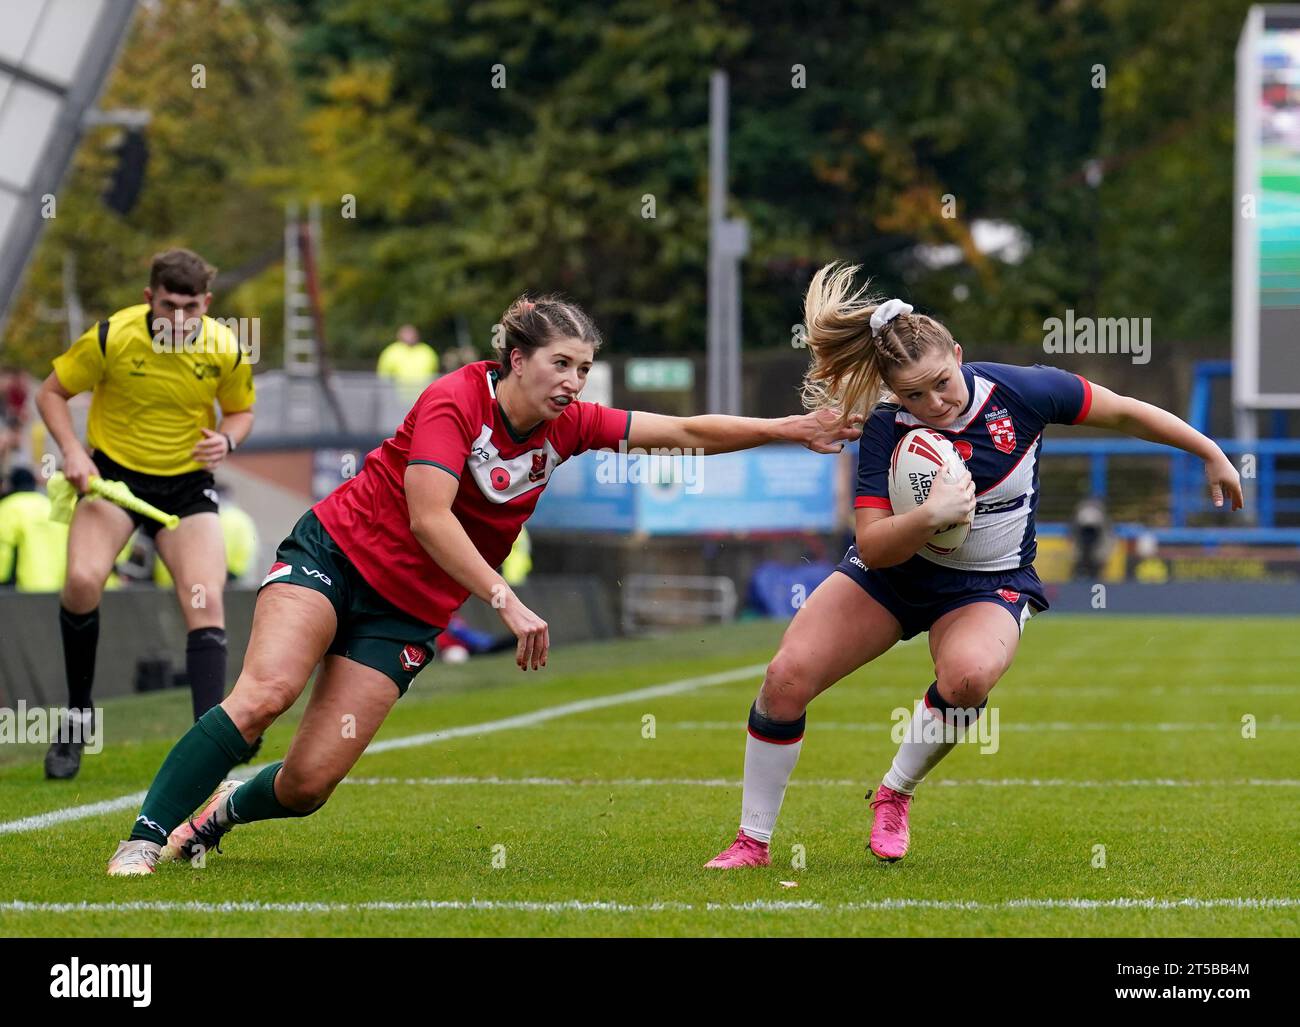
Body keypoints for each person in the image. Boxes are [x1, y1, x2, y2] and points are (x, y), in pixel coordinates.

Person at [105, 293, 860, 875]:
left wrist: (788, 428)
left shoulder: (571, 425)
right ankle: (141, 841)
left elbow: (688, 432)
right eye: (561, 363)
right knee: (267, 691)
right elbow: (430, 518)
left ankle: (219, 812)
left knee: (306, 786)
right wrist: (504, 598)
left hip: (407, 610)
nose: (574, 382)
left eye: (584, 369)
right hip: (334, 557)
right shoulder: (453, 400)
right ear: (518, 360)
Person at [705, 263, 1243, 868]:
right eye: (912, 394)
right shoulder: (887, 426)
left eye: (941, 382)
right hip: (892, 576)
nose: (932, 403)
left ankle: (894, 792)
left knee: (967, 680)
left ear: (958, 354)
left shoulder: (1023, 391)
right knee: (785, 677)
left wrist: (1210, 451)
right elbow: (876, 546)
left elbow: (1122, 411)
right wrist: (929, 516)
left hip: (989, 582)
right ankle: (753, 842)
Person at [36, 248, 256, 780]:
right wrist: (70, 451)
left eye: (190, 308)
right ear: (148, 298)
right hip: (116, 479)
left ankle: (209, 744)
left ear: (206, 303)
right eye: (167, 306)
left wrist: (227, 439)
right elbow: (51, 394)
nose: (179, 320)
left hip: (185, 487)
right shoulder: (112, 336)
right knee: (83, 582)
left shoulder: (225, 347)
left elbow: (243, 411)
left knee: (204, 601)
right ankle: (77, 719)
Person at [0, 467, 68, 592]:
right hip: (58, 587)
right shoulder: (50, 505)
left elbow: (3, 549)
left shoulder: (8, 507)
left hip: (22, 591)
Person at [377, 324, 440, 403]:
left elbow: (435, 374)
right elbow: (383, 377)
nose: (409, 337)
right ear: (399, 335)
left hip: (423, 398)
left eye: (411, 334)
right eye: (406, 334)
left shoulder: (427, 351)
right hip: (397, 399)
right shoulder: (390, 352)